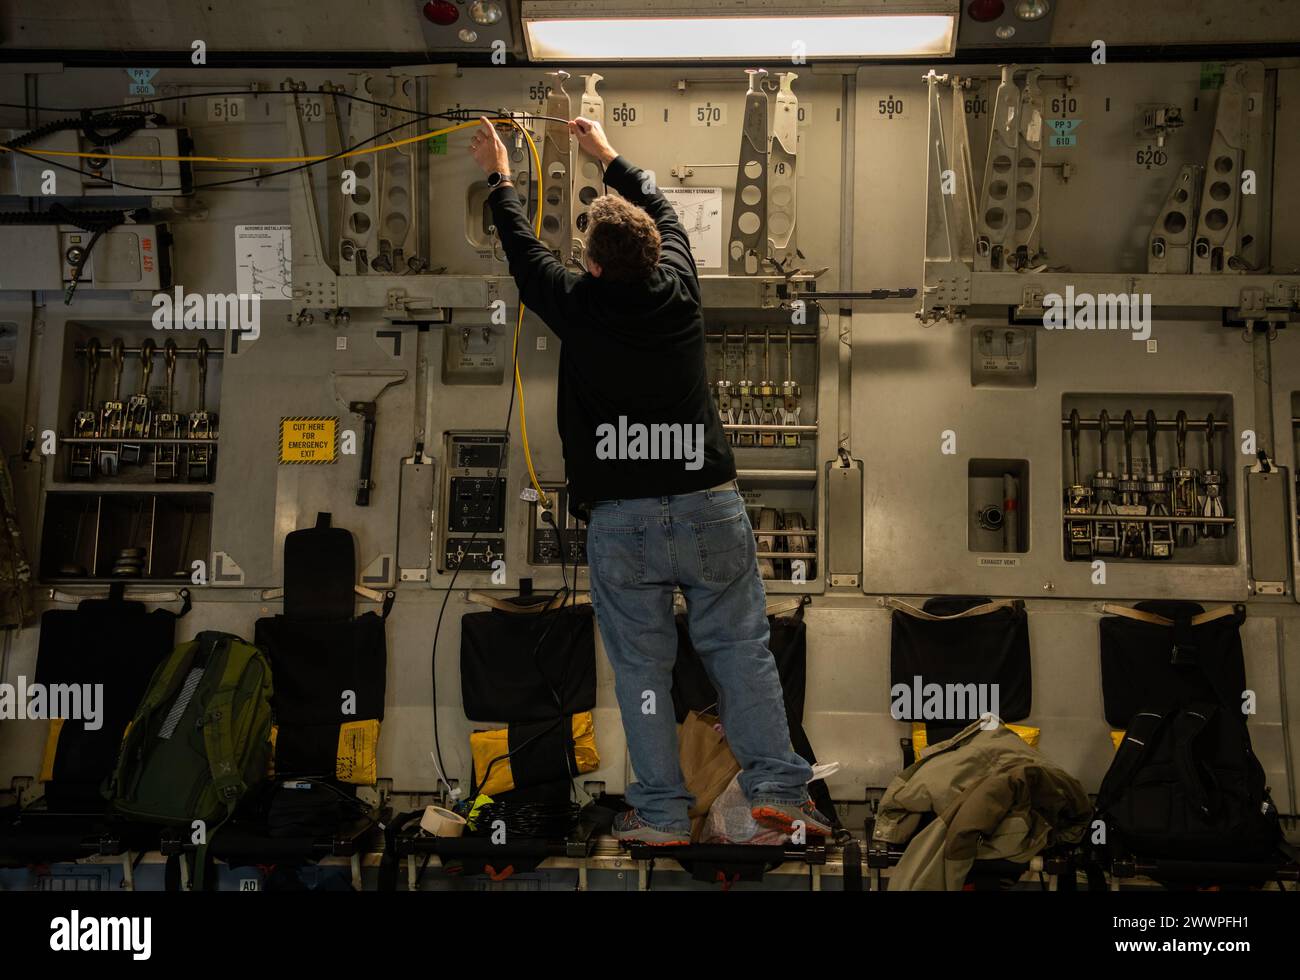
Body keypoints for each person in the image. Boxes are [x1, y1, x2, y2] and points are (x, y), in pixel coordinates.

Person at [468, 116, 831, 845]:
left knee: (642, 665)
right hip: (710, 510)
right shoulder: (681, 286)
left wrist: (501, 175)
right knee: (741, 652)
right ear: (657, 252)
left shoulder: (576, 304)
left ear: (593, 266)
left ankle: (662, 815)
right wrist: (606, 154)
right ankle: (781, 798)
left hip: (624, 520)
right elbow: (660, 203)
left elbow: (519, 247)